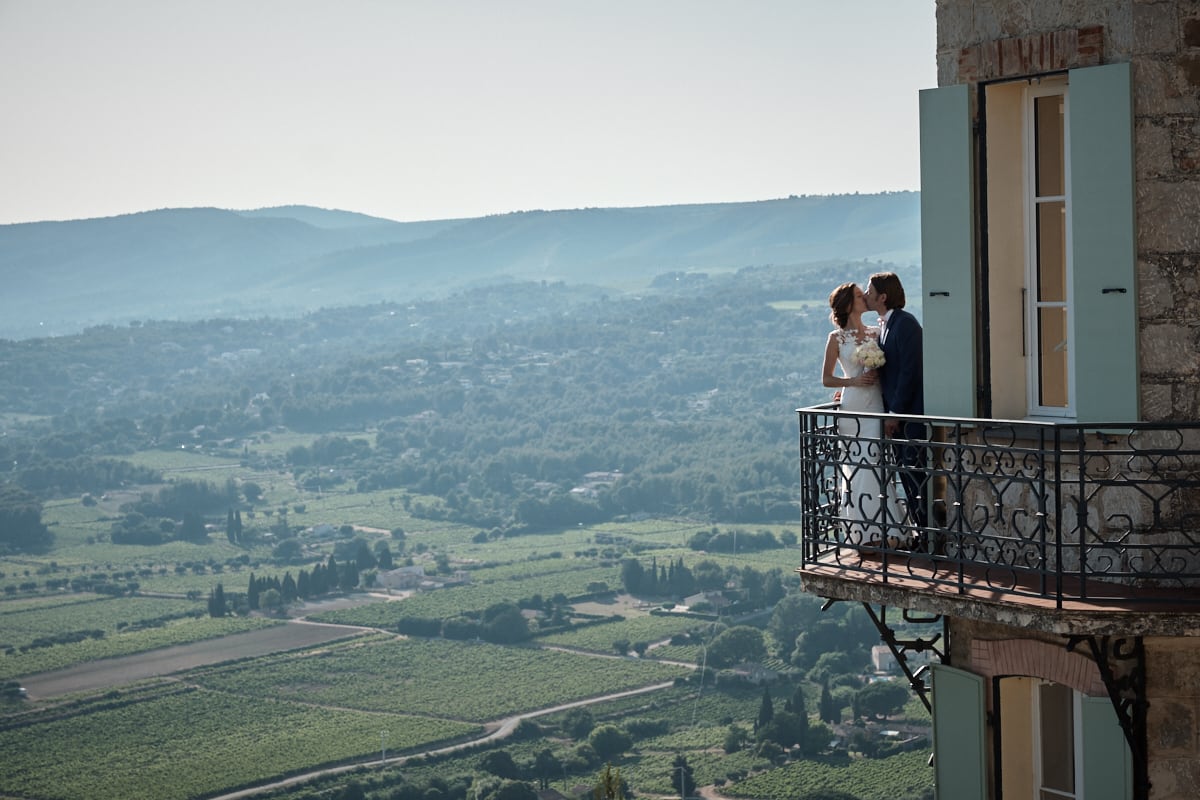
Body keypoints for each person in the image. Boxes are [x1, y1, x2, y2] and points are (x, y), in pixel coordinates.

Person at [822, 282, 906, 547]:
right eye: (859, 296)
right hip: (853, 406)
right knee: (857, 467)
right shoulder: (835, 339)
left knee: (875, 463)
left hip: (876, 406)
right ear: (848, 304)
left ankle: (888, 532)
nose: (864, 299)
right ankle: (863, 535)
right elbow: (826, 379)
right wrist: (851, 383)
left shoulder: (875, 332)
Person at [864, 271, 929, 534]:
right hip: (898, 416)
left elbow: (909, 373)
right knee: (907, 476)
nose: (866, 296)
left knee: (916, 477)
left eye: (869, 291)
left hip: (910, 416)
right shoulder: (886, 325)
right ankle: (920, 532)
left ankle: (928, 534)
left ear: (883, 296)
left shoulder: (905, 324)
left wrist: (895, 413)